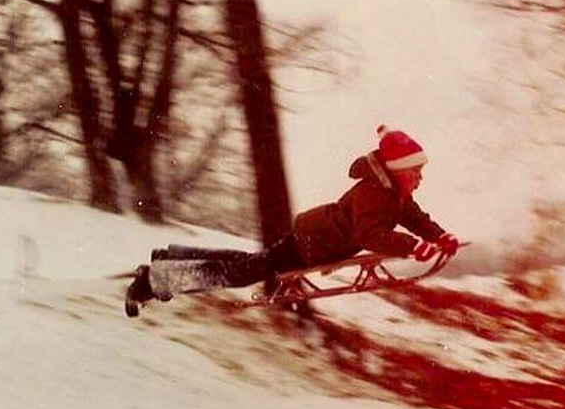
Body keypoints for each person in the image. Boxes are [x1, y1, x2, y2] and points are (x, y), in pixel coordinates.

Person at [125, 125, 459, 317]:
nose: (419, 178)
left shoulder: (393, 194)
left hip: (314, 243)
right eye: (416, 171)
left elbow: (413, 217)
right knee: (243, 273)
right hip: (309, 244)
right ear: (399, 170)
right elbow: (370, 234)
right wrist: (412, 246)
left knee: (250, 264)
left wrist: (439, 235)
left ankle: (171, 258)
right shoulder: (373, 193)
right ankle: (153, 281)